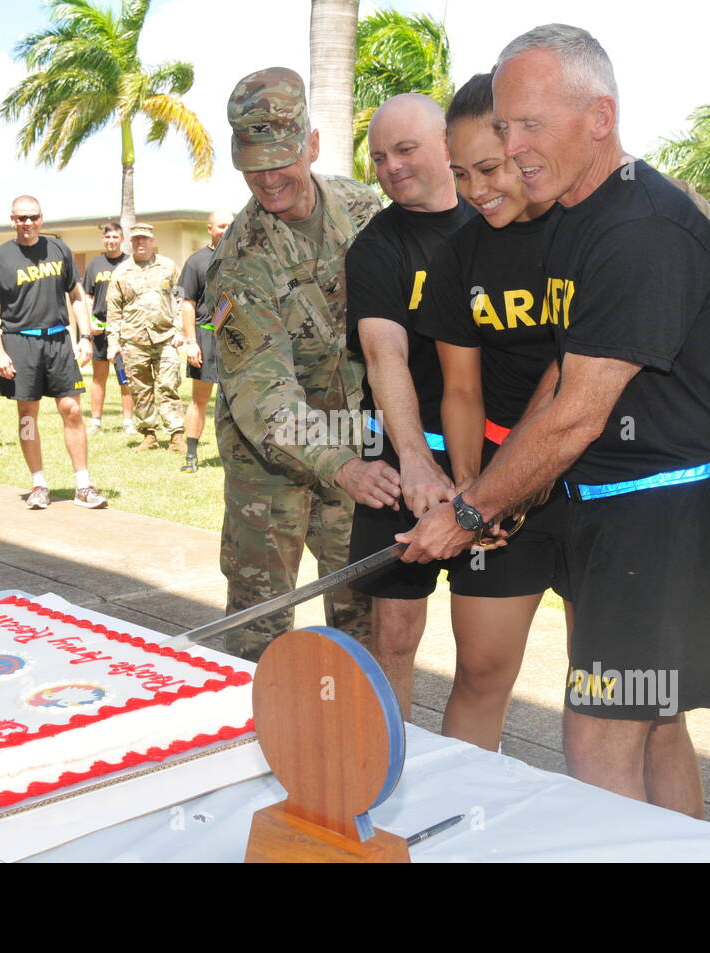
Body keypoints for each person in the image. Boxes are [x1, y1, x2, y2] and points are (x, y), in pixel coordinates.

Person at [398, 26, 710, 819]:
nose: (512, 147)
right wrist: (494, 490)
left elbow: (578, 415)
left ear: (599, 116)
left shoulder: (639, 228)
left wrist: (470, 511)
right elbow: (560, 375)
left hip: (658, 516)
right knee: (655, 729)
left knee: (596, 739)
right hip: (621, 511)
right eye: (505, 126)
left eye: (530, 126)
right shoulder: (583, 212)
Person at [203, 66, 398, 660]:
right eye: (252, 163)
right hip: (270, 458)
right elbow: (263, 394)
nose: (266, 179)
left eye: (280, 159)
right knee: (260, 620)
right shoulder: (239, 260)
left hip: (356, 438)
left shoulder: (364, 211)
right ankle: (249, 740)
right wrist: (340, 463)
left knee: (361, 607)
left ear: (312, 145)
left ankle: (353, 739)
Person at [413, 77, 574, 749]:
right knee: (480, 672)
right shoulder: (460, 254)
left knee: (615, 696)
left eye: (489, 168)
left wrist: (502, 489)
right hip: (499, 488)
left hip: (598, 481)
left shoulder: (589, 230)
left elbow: (574, 379)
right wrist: (477, 495)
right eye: (459, 173)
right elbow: (461, 390)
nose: (475, 189)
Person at [342, 92, 488, 734]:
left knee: (485, 655)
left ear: (448, 145)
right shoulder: (376, 248)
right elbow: (383, 354)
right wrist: (416, 464)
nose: (391, 167)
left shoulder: (497, 222)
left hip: (497, 463)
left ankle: (471, 784)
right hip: (409, 460)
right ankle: (388, 776)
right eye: (379, 156)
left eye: (405, 149)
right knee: (394, 642)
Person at [0, 195, 107, 510]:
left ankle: (83, 486)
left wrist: (86, 336)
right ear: (12, 219)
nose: (27, 223)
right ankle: (38, 484)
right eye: (21, 218)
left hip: (58, 340)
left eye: (33, 217)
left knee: (72, 410)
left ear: (41, 218)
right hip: (20, 343)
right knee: (27, 416)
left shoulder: (58, 249)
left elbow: (75, 295)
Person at [107, 223, 185, 452]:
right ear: (131, 242)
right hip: (133, 340)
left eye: (145, 239)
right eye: (137, 239)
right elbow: (114, 311)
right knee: (140, 389)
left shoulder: (168, 267)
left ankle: (176, 436)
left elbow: (180, 299)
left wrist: (180, 331)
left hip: (166, 337)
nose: (141, 243)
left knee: (169, 385)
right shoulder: (121, 272)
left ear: (152, 241)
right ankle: (149, 435)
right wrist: (113, 343)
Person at [176, 209, 234, 473]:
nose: (226, 229)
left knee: (238, 400)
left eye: (230, 225)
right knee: (200, 398)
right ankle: (191, 455)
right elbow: (187, 303)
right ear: (210, 228)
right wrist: (191, 341)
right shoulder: (196, 262)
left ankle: (237, 456)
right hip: (206, 335)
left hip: (236, 337)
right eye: (221, 225)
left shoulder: (242, 257)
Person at [81, 222, 136, 436]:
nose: (111, 241)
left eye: (115, 237)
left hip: (123, 330)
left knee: (125, 376)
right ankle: (95, 421)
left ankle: (128, 422)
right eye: (108, 237)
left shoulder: (129, 264)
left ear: (122, 239)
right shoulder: (95, 264)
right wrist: (90, 321)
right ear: (103, 239)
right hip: (100, 329)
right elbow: (87, 297)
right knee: (99, 377)